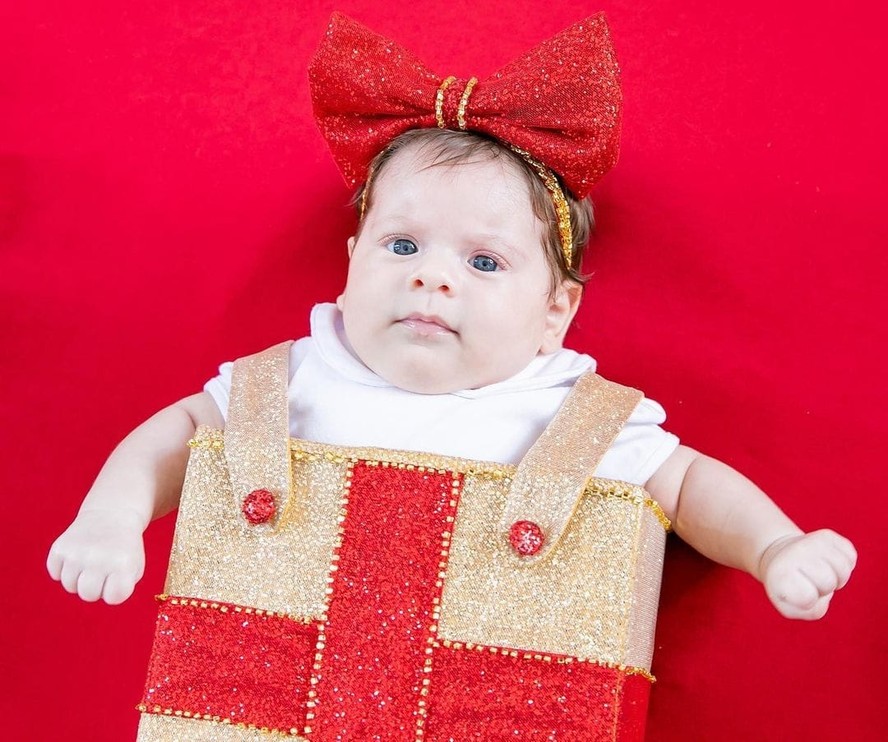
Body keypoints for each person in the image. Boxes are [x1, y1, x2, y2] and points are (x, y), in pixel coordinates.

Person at [46, 11, 856, 738]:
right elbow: (182, 430)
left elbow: (686, 487)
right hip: (258, 708)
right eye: (402, 245)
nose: (433, 278)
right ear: (351, 261)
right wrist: (112, 516)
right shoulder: (293, 380)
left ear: (555, 313)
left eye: (483, 260)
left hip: (500, 706)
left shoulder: (565, 408)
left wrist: (774, 544)